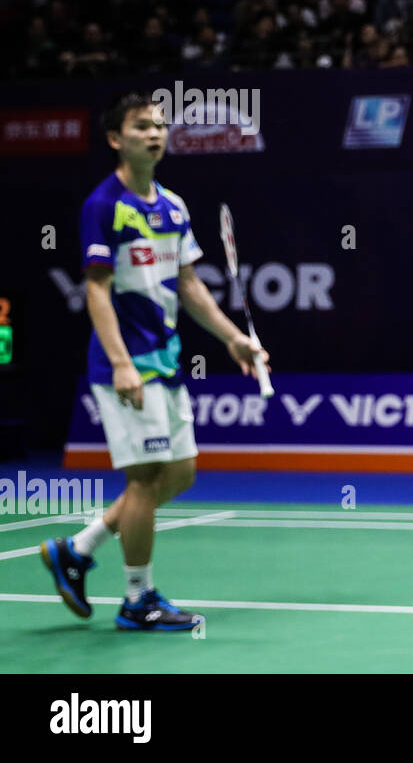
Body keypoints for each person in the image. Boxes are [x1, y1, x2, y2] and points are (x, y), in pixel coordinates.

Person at [41, 93, 270, 631]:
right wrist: (121, 362)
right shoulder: (103, 206)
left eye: (161, 125)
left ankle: (77, 549)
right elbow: (96, 290)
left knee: (181, 473)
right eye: (142, 126)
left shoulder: (173, 206)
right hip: (128, 363)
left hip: (166, 359)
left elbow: (188, 283)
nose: (155, 134)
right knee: (144, 480)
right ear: (116, 139)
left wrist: (233, 339)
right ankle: (137, 599)